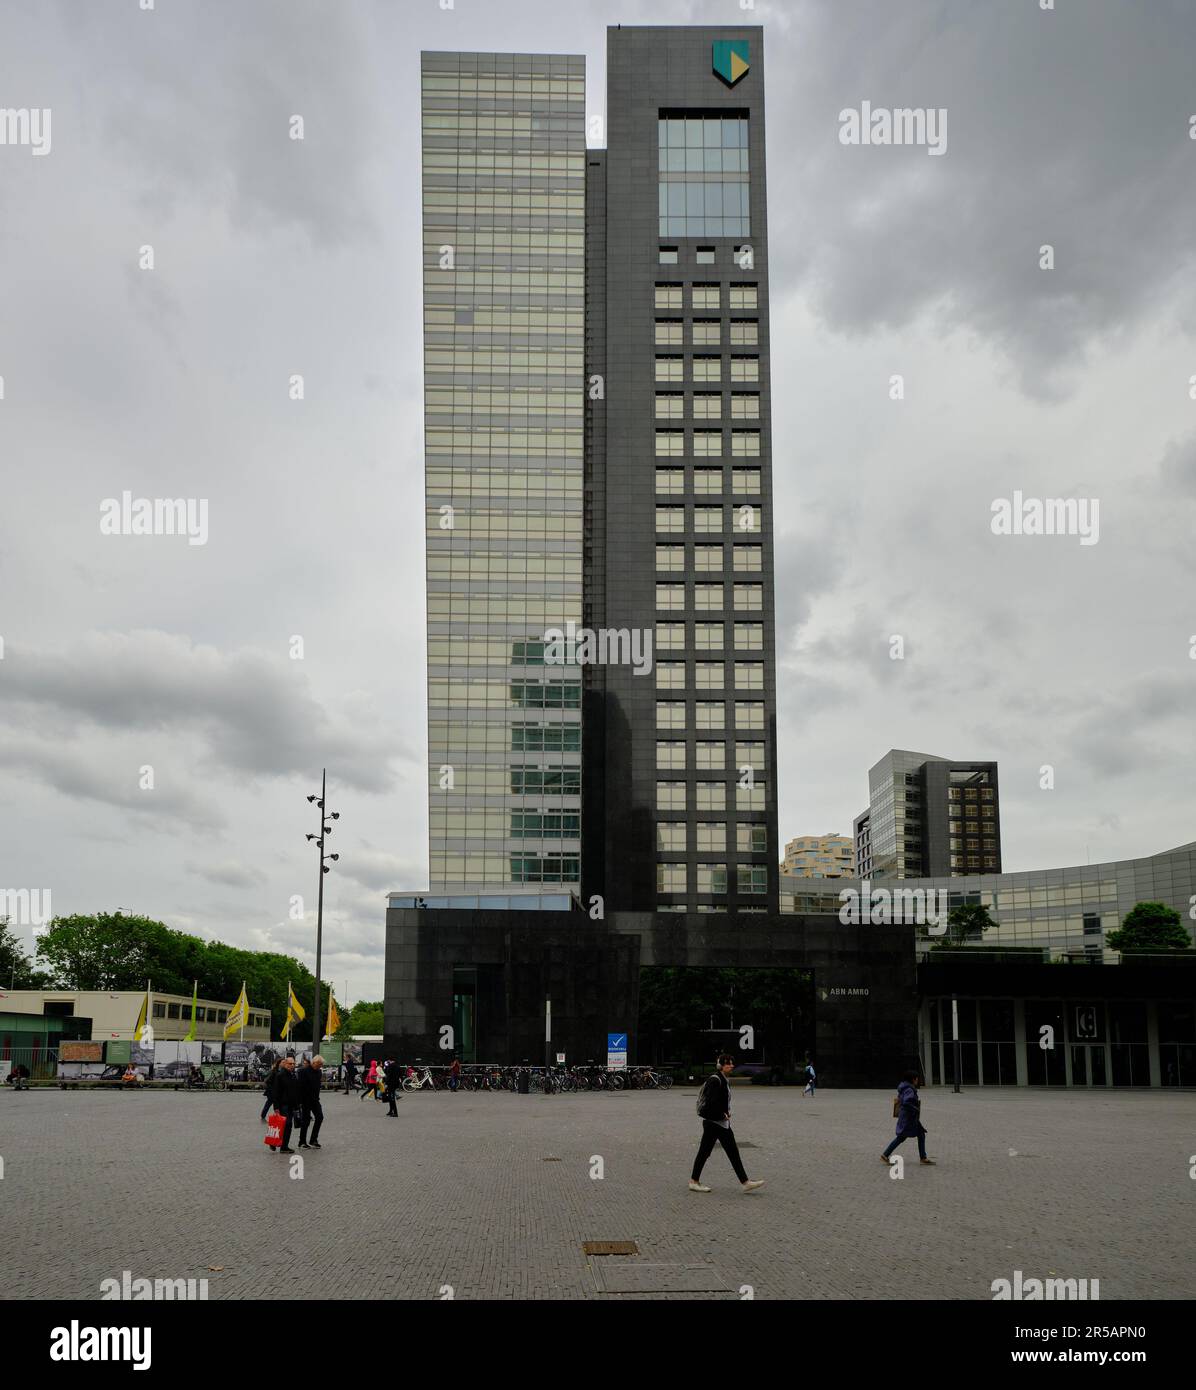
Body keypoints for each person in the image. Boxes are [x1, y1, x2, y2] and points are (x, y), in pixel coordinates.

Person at [689, 1055, 764, 1194]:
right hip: (714, 1123)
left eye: (731, 1063)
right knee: (708, 1152)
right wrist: (722, 1114)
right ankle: (694, 1181)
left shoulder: (723, 1079)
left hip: (720, 1123)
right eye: (728, 1064)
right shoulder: (715, 1080)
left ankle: (745, 1182)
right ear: (721, 1066)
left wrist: (724, 1114)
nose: (732, 1066)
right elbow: (711, 1102)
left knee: (728, 1152)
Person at [882, 1071, 936, 1166]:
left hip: (908, 1116)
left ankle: (923, 1157)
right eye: (916, 1078)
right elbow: (906, 1102)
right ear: (913, 1079)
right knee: (902, 1137)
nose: (917, 1080)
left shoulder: (904, 1087)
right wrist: (916, 1108)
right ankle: (885, 1154)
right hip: (909, 1117)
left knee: (921, 1134)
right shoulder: (909, 1090)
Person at [271, 1055, 299, 1154]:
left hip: (291, 1105)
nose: (292, 1065)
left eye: (293, 1064)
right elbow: (275, 1092)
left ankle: (276, 1144)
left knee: (285, 1125)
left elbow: (295, 1091)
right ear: (285, 1064)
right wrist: (276, 1107)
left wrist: (297, 1105)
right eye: (290, 1064)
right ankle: (283, 1146)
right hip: (283, 1105)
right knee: (286, 1124)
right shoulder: (280, 1075)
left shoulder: (293, 1075)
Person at [297, 1055, 325, 1149]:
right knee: (306, 1121)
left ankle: (313, 1140)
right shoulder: (303, 1071)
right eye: (319, 1064)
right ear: (314, 1062)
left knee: (320, 1117)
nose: (320, 1066)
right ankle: (302, 1142)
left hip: (315, 1100)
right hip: (305, 1100)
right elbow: (300, 1086)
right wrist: (300, 1101)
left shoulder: (319, 1072)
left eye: (321, 1064)